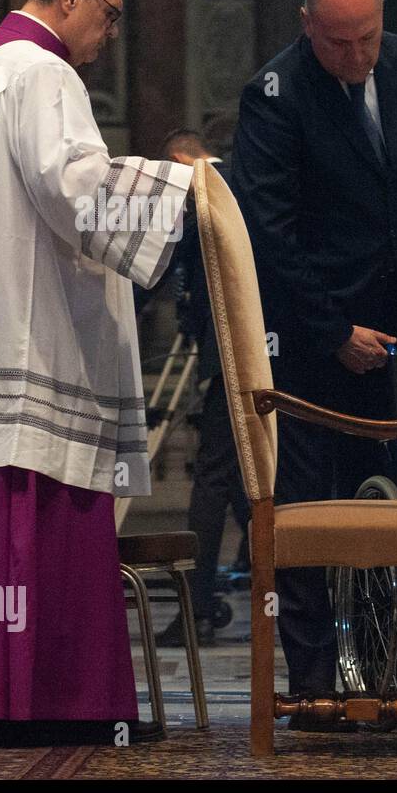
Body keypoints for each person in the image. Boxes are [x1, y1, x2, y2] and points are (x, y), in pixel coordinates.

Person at [0, 0, 192, 747]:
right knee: (35, 513)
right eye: (107, 14)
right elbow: (74, 187)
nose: (109, 33)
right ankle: (52, 703)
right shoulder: (43, 75)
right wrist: (179, 184)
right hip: (26, 338)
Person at [231, 0, 397, 707]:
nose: (355, 55)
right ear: (308, 26)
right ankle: (312, 689)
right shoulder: (274, 95)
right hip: (310, 341)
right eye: (338, 41)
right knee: (309, 509)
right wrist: (335, 327)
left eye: (367, 38)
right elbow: (269, 235)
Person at [152, 129, 247, 649]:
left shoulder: (209, 187)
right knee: (233, 480)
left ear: (179, 161)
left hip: (235, 355)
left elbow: (172, 261)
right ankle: (204, 602)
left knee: (213, 482)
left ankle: (196, 609)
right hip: (249, 354)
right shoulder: (240, 180)